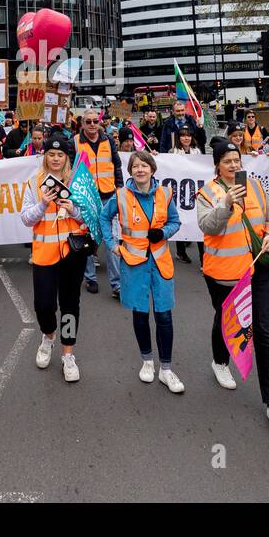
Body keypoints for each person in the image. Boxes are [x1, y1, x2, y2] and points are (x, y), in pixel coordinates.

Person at [196, 137, 269, 431]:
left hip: (257, 269)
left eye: (237, 160)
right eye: (227, 161)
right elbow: (208, 226)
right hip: (224, 272)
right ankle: (220, 361)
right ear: (217, 166)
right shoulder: (207, 193)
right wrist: (226, 204)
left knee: (262, 329)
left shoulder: (258, 187)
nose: (234, 165)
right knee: (228, 321)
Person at [103, 149, 184, 392]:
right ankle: (147, 361)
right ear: (130, 171)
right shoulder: (120, 195)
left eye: (144, 166)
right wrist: (112, 245)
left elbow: (175, 222)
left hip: (160, 262)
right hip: (134, 262)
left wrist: (165, 233)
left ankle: (166, 369)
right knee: (140, 314)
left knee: (164, 316)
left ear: (152, 169)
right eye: (135, 166)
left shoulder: (165, 193)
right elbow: (103, 218)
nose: (140, 170)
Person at [20, 132, 89, 382]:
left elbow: (92, 216)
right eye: (51, 154)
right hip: (44, 255)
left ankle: (68, 353)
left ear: (67, 157)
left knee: (70, 306)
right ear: (45, 156)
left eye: (60, 154)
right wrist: (42, 204)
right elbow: (25, 218)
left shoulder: (78, 181)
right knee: (44, 305)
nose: (56, 158)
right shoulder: (33, 182)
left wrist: (75, 211)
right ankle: (48, 335)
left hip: (73, 255)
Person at [76, 110, 123, 297]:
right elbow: (71, 170)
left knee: (111, 239)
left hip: (109, 195)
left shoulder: (108, 140)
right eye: (88, 121)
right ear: (82, 124)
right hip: (87, 198)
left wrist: (119, 189)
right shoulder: (75, 142)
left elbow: (117, 165)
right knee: (89, 240)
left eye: (96, 121)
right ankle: (90, 278)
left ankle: (117, 285)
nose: (93, 124)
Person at [171, 126, 204, 265]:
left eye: (189, 135)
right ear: (179, 138)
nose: (186, 138)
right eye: (183, 136)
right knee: (181, 219)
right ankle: (180, 252)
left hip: (193, 190)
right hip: (179, 191)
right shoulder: (173, 152)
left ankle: (203, 256)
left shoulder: (197, 151)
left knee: (196, 220)